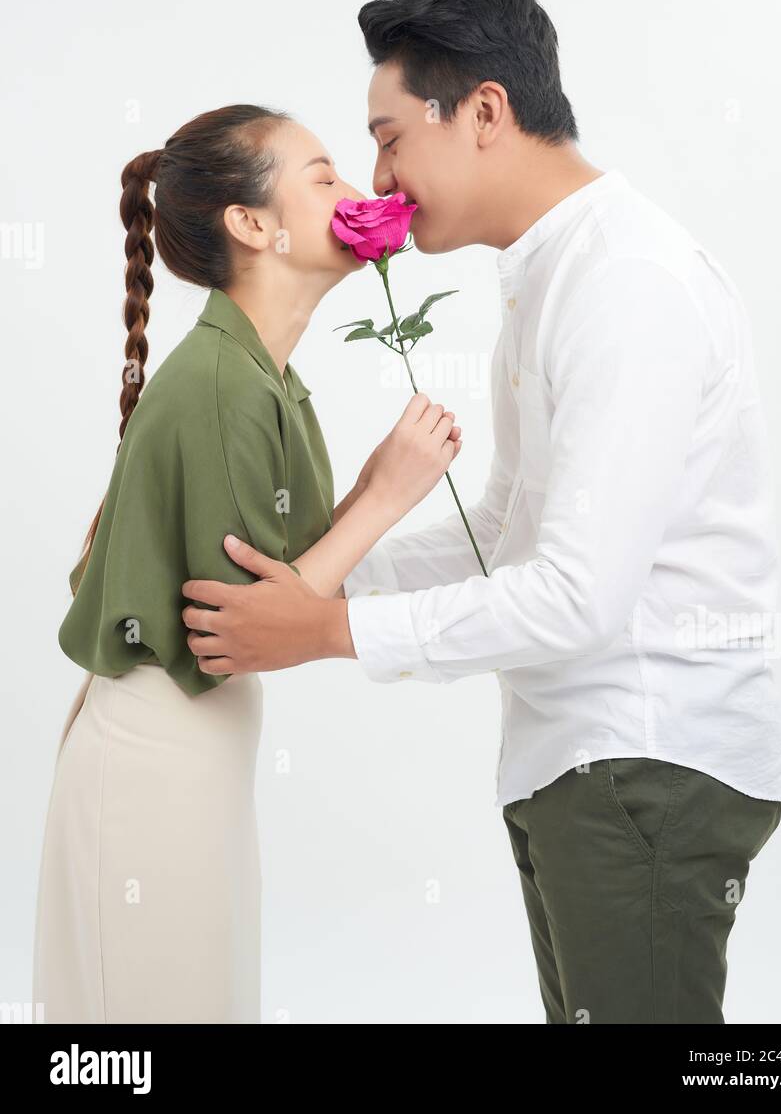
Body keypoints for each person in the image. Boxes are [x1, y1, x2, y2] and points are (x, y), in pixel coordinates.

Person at [182, 0, 781, 1025]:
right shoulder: (549, 275)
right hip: (587, 767)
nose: (376, 177)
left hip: (643, 763)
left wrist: (326, 626)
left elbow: (576, 597)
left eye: (386, 138)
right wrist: (316, 569)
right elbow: (507, 536)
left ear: (484, 113)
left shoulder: (625, 281)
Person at [32, 103, 461, 1024]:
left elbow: (284, 587)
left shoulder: (260, 373)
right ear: (253, 225)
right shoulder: (223, 381)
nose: (360, 193)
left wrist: (375, 500)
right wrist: (383, 496)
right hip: (159, 750)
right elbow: (239, 632)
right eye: (324, 178)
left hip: (195, 750)